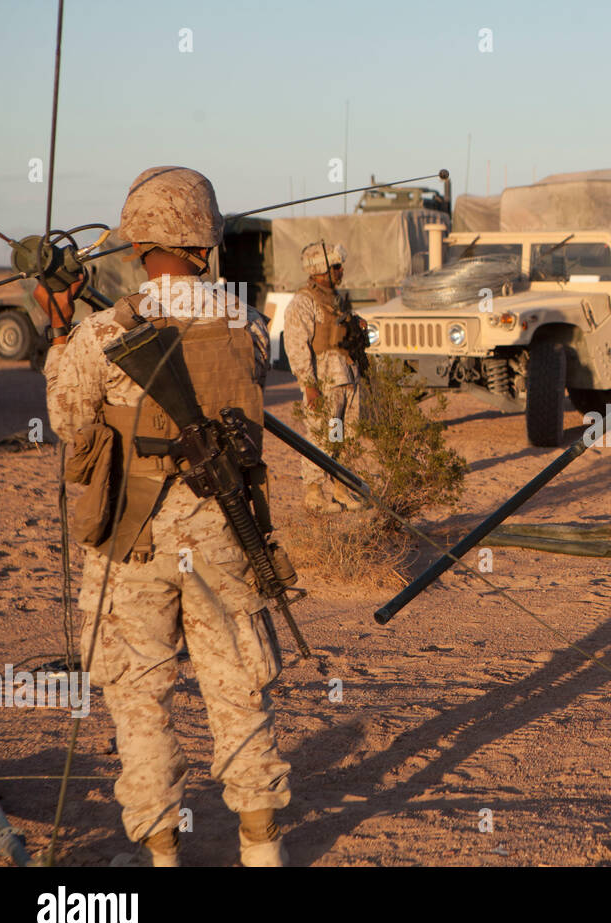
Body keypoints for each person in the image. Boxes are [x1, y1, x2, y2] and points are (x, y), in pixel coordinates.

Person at [37, 166, 291, 867]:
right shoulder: (247, 322)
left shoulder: (100, 334)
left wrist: (60, 334)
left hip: (134, 540)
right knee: (239, 690)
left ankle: (160, 855)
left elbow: (66, 418)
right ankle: (262, 851)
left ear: (138, 241)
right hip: (226, 535)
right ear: (205, 243)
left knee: (140, 698)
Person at [284, 241, 367, 513]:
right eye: (335, 267)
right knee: (322, 436)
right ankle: (314, 492)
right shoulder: (303, 302)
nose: (341, 270)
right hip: (324, 382)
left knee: (344, 435)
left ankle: (342, 488)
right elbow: (296, 346)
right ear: (320, 269)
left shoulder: (338, 300)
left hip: (347, 377)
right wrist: (309, 386)